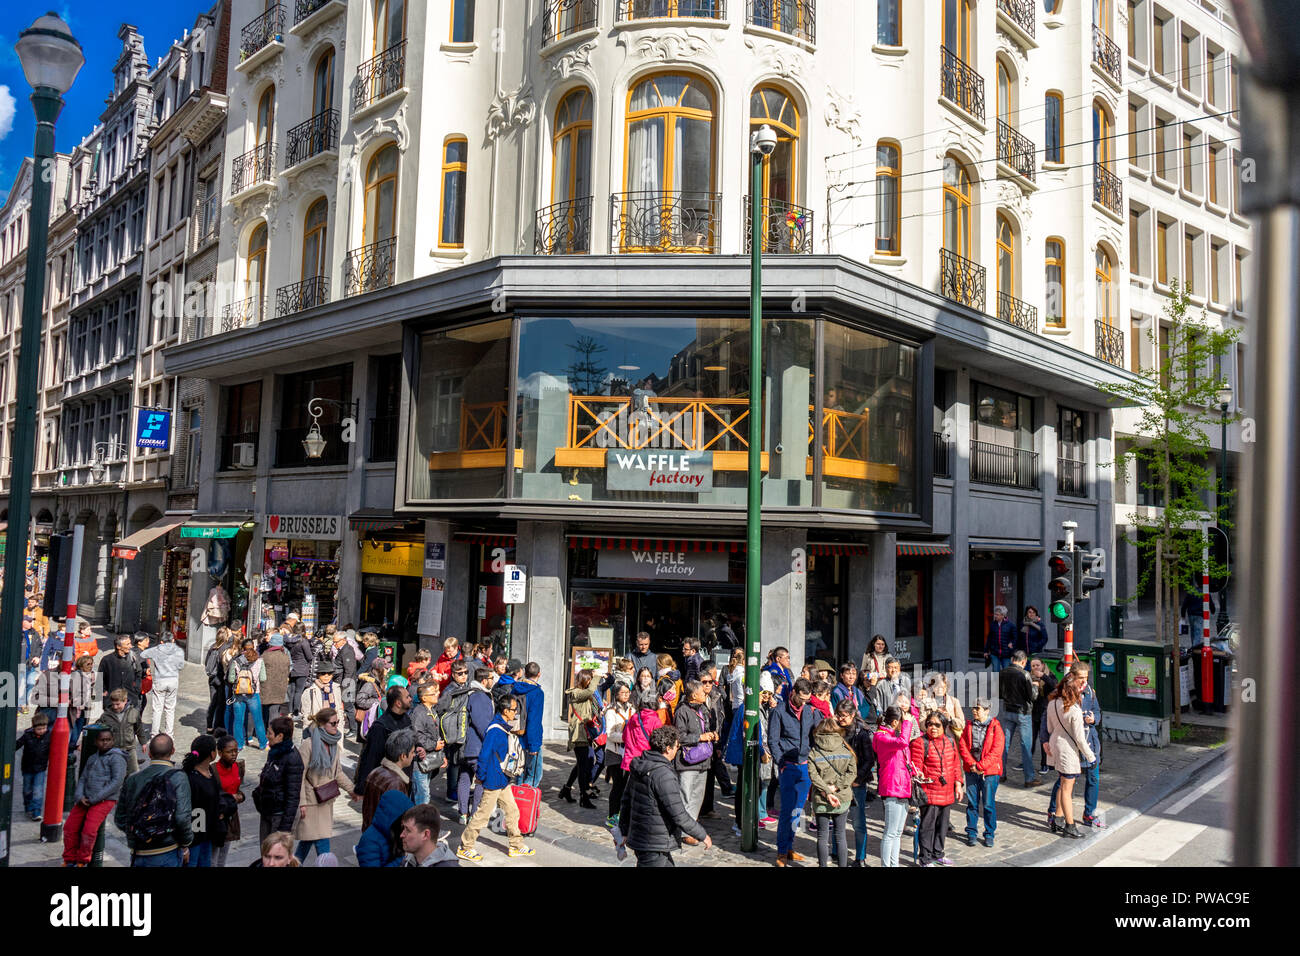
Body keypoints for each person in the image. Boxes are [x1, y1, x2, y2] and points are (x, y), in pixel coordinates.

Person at [617, 724, 712, 867]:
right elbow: (679, 814)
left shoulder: (640, 765)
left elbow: (626, 800)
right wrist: (702, 834)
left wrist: (624, 830)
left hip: (644, 839)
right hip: (654, 842)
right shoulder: (663, 775)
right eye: (676, 747)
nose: (677, 750)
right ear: (668, 749)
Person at [456, 695, 534, 862]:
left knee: (512, 810)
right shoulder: (496, 730)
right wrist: (481, 776)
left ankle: (516, 844)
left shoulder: (502, 727)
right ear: (505, 711)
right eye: (514, 710)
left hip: (501, 780)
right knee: (482, 815)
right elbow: (484, 755)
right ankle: (466, 846)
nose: (516, 712)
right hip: (492, 780)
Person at [114, 734, 193, 867]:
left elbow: (120, 819)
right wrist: (185, 844)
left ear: (150, 754)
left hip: (139, 851)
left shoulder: (133, 779)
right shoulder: (178, 778)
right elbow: (182, 818)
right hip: (168, 849)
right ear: (173, 751)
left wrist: (139, 833)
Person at [1046, 661, 1105, 830]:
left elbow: (1098, 711)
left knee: (1093, 779)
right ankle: (1054, 813)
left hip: (1089, 742)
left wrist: (1094, 719)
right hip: (1072, 746)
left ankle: (1089, 814)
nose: (1083, 681)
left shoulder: (1090, 692)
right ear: (1072, 676)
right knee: (1065, 781)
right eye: (1081, 678)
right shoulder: (1062, 692)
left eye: (1086, 678)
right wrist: (1045, 740)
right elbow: (1048, 720)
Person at [294, 708, 355, 862]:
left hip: (326, 800)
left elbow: (338, 773)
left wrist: (352, 790)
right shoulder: (308, 745)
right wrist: (301, 802)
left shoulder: (334, 745)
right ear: (321, 724)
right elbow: (298, 776)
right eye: (333, 723)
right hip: (310, 802)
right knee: (322, 840)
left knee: (309, 840)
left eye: (338, 723)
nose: (336, 726)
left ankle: (294, 864)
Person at [769, 677, 818, 866]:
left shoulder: (809, 711)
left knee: (798, 811)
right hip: (787, 765)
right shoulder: (779, 711)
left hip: (805, 765)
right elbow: (773, 741)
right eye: (802, 698)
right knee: (787, 811)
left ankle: (790, 847)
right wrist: (781, 763)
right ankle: (781, 851)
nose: (804, 702)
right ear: (794, 693)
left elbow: (813, 737)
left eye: (807, 699)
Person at [62, 726, 128, 866]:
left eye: (108, 740)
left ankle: (82, 860)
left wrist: (95, 799)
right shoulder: (93, 758)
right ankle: (70, 859)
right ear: (95, 742)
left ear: (113, 741)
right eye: (102, 740)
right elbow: (83, 778)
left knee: (89, 831)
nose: (105, 743)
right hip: (85, 798)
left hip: (104, 800)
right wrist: (79, 796)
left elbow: (116, 782)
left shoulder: (117, 758)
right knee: (69, 827)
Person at [911, 712, 962, 866]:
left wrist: (958, 784)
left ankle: (938, 853)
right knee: (928, 827)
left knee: (942, 826)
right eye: (929, 724)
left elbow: (955, 765)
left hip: (946, 792)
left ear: (944, 726)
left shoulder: (951, 742)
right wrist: (918, 774)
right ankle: (925, 858)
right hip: (930, 792)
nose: (932, 727)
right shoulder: (920, 743)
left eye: (937, 725)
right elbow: (915, 766)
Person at [808, 710, 857, 868]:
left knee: (822, 836)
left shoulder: (814, 752)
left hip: (821, 798)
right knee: (840, 835)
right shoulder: (845, 749)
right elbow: (852, 773)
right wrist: (835, 788)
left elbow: (813, 776)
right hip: (842, 797)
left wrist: (826, 792)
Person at [959, 698, 1005, 848]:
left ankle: (989, 833)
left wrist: (980, 766)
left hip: (989, 773)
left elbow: (996, 751)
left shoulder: (995, 728)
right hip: (972, 771)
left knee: (988, 804)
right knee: (972, 803)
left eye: (978, 708)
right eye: (974, 707)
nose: (974, 711)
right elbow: (963, 745)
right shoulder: (969, 726)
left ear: (986, 711)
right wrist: (972, 764)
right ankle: (971, 832)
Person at [872, 705, 914, 867]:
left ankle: (893, 864)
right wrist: (908, 724)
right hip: (891, 787)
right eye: (902, 722)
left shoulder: (893, 736)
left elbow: (904, 756)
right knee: (890, 833)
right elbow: (903, 742)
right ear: (896, 722)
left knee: (897, 832)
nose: (905, 724)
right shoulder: (881, 736)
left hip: (903, 786)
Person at [455, 666, 496, 824]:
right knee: (480, 779)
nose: (493, 681)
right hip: (476, 747)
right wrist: (490, 743)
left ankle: (463, 814)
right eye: (491, 678)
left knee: (465, 778)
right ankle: (473, 815)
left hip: (466, 746)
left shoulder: (469, 692)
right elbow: (482, 724)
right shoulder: (480, 696)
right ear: (484, 680)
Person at [673, 679, 716, 827]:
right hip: (687, 761)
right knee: (686, 795)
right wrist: (699, 737)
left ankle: (690, 826)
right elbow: (679, 736)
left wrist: (711, 734)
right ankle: (683, 829)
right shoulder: (682, 711)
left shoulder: (702, 708)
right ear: (693, 695)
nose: (705, 692)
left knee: (698, 796)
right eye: (701, 692)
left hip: (702, 760)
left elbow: (705, 728)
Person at [255, 716, 304, 843]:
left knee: (275, 856)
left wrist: (284, 829)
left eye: (270, 733)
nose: (267, 735)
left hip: (279, 816)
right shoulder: (274, 752)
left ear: (280, 736)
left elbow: (293, 797)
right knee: (265, 852)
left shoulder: (293, 758)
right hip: (267, 811)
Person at [354, 685, 413, 788]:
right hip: (386, 783)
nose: (410, 699)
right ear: (398, 703)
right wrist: (361, 788)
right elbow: (370, 758)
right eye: (407, 697)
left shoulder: (406, 719)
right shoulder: (380, 727)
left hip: (405, 779)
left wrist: (419, 747)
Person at [998, 650, 1040, 787]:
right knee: (1025, 746)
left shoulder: (1003, 672)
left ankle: (1001, 773)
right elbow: (1032, 696)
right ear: (1024, 661)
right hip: (1023, 712)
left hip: (1007, 710)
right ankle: (1029, 777)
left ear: (1012, 659)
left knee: (1004, 744)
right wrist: (1036, 686)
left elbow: (1000, 693)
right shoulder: (1025, 674)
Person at [361, 728, 414, 831]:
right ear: (403, 756)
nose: (414, 755)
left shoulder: (376, 771)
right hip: (384, 840)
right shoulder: (396, 783)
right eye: (412, 752)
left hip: (371, 834)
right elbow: (397, 821)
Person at [698, 663, 733, 818]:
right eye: (704, 682)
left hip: (714, 740)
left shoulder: (716, 695)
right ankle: (696, 811)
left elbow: (719, 717)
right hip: (699, 742)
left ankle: (707, 808)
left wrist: (718, 743)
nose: (707, 685)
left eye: (709, 682)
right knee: (698, 778)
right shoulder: (693, 697)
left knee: (711, 775)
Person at [561, 669, 600, 809]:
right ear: (584, 679)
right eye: (589, 679)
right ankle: (584, 797)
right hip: (579, 733)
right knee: (584, 765)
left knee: (583, 763)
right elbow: (589, 692)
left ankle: (566, 789)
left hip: (586, 732)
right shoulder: (575, 692)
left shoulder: (584, 694)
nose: (591, 682)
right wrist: (597, 677)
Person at [182, 735, 222, 867]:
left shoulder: (209, 771)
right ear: (212, 754)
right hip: (194, 838)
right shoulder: (191, 778)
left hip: (207, 835)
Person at [141, 632, 184, 739]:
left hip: (160, 681)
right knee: (170, 709)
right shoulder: (178, 650)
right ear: (173, 640)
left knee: (157, 709)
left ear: (161, 641)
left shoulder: (156, 649)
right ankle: (169, 734)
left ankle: (154, 733)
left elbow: (142, 654)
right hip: (173, 680)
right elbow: (181, 666)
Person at [355, 789, 413, 867]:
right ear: (395, 818)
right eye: (404, 819)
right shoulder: (369, 841)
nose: (405, 823)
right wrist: (404, 858)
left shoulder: (397, 832)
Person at [409, 680, 445, 805]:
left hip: (428, 760)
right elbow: (417, 735)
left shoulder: (432, 711)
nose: (437, 694)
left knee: (419, 794)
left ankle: (411, 819)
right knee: (423, 795)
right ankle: (419, 821)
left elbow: (436, 734)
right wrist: (433, 745)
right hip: (419, 762)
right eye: (433, 693)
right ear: (424, 698)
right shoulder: (419, 712)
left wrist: (441, 753)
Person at [228, 638, 268, 750]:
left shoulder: (236, 661)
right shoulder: (259, 660)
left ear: (243, 648)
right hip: (254, 694)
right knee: (258, 720)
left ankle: (239, 744)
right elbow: (263, 678)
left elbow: (231, 679)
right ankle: (262, 743)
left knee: (238, 720)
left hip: (238, 694)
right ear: (253, 647)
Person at [603, 682, 634, 828]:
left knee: (625, 785)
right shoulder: (611, 711)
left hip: (627, 751)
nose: (626, 695)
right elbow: (610, 734)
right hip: (614, 752)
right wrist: (626, 736)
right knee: (617, 785)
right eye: (623, 692)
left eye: (628, 692)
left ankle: (621, 813)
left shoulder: (632, 709)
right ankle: (612, 815)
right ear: (616, 694)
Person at [212, 735, 245, 867]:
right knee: (213, 858)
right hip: (218, 817)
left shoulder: (238, 767)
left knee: (223, 857)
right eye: (229, 752)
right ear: (220, 753)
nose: (233, 754)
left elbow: (238, 789)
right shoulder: (213, 770)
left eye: (235, 751)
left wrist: (240, 797)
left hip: (231, 816)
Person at [101, 688, 148, 775]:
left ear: (125, 701)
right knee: (116, 773)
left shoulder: (134, 713)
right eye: (113, 704)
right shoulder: (106, 716)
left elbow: (139, 728)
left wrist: (143, 742)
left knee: (134, 773)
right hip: (114, 749)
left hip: (129, 748)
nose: (115, 707)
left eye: (118, 704)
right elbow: (98, 729)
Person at [16, 713, 51, 820]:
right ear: (33, 728)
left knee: (38, 790)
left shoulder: (49, 736)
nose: (42, 731)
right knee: (27, 789)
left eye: (44, 728)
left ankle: (36, 811)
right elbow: (17, 744)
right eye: (39, 729)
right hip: (27, 767)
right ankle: (28, 806)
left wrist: (75, 746)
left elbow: (61, 745)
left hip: (40, 768)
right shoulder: (27, 735)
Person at [1029, 658, 1059, 773]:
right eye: (1033, 666)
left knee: (1043, 738)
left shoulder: (1049, 675)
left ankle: (1045, 764)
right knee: (1030, 738)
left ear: (1042, 665)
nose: (1035, 668)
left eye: (1037, 665)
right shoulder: (1029, 677)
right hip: (1033, 711)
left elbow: (1054, 686)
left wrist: (1043, 676)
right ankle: (1027, 761)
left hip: (1045, 711)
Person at [329, 628, 360, 736]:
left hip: (348, 683)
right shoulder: (343, 649)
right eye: (333, 641)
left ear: (343, 640)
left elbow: (349, 670)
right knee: (347, 706)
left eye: (336, 642)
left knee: (349, 707)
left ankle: (353, 729)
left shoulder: (347, 651)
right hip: (344, 681)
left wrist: (345, 685)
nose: (334, 644)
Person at [100, 634, 142, 712]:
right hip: (112, 701)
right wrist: (103, 695)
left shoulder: (133, 658)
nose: (130, 646)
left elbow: (139, 673)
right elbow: (100, 679)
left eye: (130, 643)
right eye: (127, 644)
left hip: (130, 698)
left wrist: (137, 688)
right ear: (118, 647)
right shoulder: (107, 660)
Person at [259, 632, 292, 730]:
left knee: (265, 710)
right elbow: (288, 671)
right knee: (274, 711)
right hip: (280, 687)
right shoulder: (285, 656)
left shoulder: (265, 655)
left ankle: (266, 730)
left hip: (266, 687)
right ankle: (272, 730)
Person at [203, 629, 233, 732]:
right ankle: (218, 727)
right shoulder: (225, 648)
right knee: (221, 704)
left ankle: (209, 726)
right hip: (220, 679)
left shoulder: (213, 647)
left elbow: (207, 662)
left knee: (213, 703)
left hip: (212, 679)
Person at [285, 625, 315, 719]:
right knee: (299, 691)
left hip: (291, 668)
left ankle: (289, 711)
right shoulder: (303, 641)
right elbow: (309, 656)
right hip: (302, 668)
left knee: (291, 690)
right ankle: (296, 712)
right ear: (303, 630)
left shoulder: (287, 641)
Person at [983, 605, 1018, 671]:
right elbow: (989, 638)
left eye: (997, 614)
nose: (995, 616)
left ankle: (1004, 682)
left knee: (1006, 672)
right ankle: (997, 682)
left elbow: (1015, 638)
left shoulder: (1011, 625)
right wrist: (986, 651)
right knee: (996, 671)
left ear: (1003, 615)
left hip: (1006, 653)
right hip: (995, 653)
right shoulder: (993, 624)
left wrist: (1012, 643)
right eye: (995, 614)